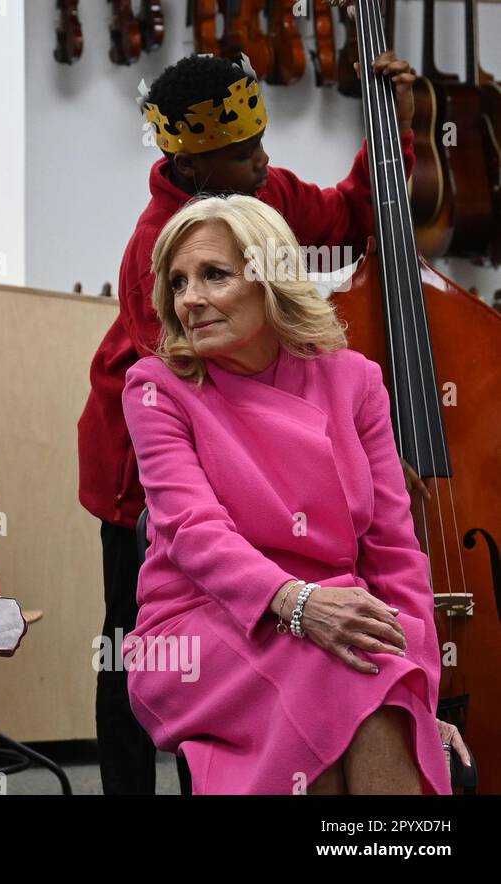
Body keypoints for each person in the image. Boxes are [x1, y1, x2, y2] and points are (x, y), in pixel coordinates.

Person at [78, 50, 420, 794]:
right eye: (242, 154)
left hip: (259, 503)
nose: (263, 163)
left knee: (354, 677)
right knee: (121, 643)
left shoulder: (261, 197)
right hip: (144, 481)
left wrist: (393, 132)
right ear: (196, 170)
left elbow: (350, 213)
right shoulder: (156, 255)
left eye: (260, 142)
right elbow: (198, 399)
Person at [120, 195, 469, 794]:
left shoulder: (354, 380)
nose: (189, 299)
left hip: (339, 621)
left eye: (214, 275)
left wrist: (422, 692)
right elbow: (193, 532)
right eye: (177, 282)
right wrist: (297, 603)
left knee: (370, 676)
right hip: (202, 623)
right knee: (352, 670)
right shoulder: (156, 388)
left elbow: (395, 554)